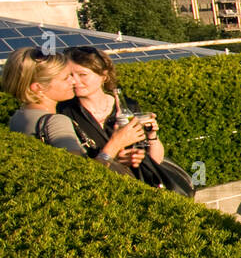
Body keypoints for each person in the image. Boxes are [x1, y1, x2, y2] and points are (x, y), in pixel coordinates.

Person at [60, 46, 188, 194]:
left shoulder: (128, 107)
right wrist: (114, 158)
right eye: (69, 75)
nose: (74, 81)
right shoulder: (65, 112)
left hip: (138, 190)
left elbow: (155, 160)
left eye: (82, 74)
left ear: (104, 75)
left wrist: (151, 137)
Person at [2, 47, 144, 166]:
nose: (73, 81)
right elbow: (80, 173)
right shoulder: (56, 122)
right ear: (38, 87)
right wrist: (115, 143)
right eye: (66, 78)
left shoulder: (19, 116)